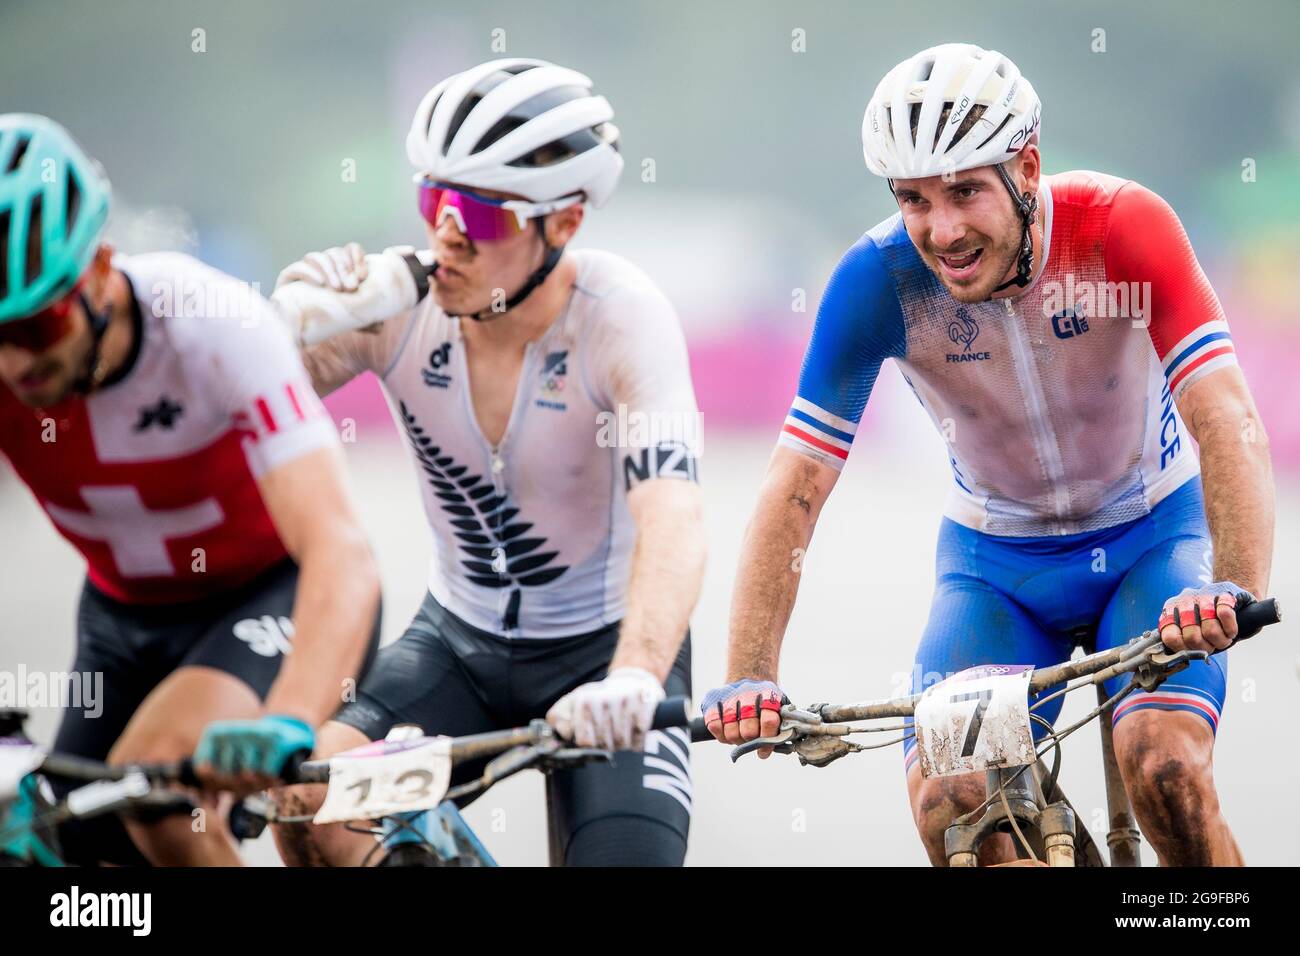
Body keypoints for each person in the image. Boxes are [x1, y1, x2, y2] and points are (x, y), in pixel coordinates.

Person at [701, 43, 1274, 866]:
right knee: (950, 800)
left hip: (1154, 539)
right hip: (998, 571)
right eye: (913, 200)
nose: (942, 230)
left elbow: (1227, 418)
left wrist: (1235, 585)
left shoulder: (1121, 226)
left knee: (1165, 764)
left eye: (965, 189)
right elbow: (793, 484)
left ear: (1028, 168)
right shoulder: (878, 281)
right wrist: (751, 672)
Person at [269, 58, 705, 867]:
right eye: (435, 199)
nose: (448, 234)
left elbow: (674, 513)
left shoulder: (622, 316)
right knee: (303, 798)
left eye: (481, 211)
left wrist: (639, 674)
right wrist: (287, 321)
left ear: (564, 224)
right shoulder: (392, 305)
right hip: (456, 647)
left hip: (608, 653)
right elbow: (231, 416)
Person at [0, 114, 381, 865]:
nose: (15, 366)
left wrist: (288, 717)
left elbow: (341, 549)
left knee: (152, 788)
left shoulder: (212, 325)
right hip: (123, 619)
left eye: (38, 327)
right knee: (49, 843)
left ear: (102, 271)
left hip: (269, 597)